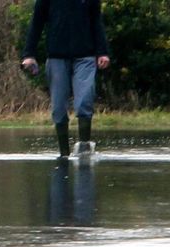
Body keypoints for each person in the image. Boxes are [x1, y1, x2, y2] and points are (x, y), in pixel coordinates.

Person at [21, 0, 111, 158]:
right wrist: (29, 54)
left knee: (84, 101)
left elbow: (97, 23)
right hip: (57, 57)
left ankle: (84, 150)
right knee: (58, 108)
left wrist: (102, 52)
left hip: (85, 56)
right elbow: (36, 23)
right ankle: (64, 155)